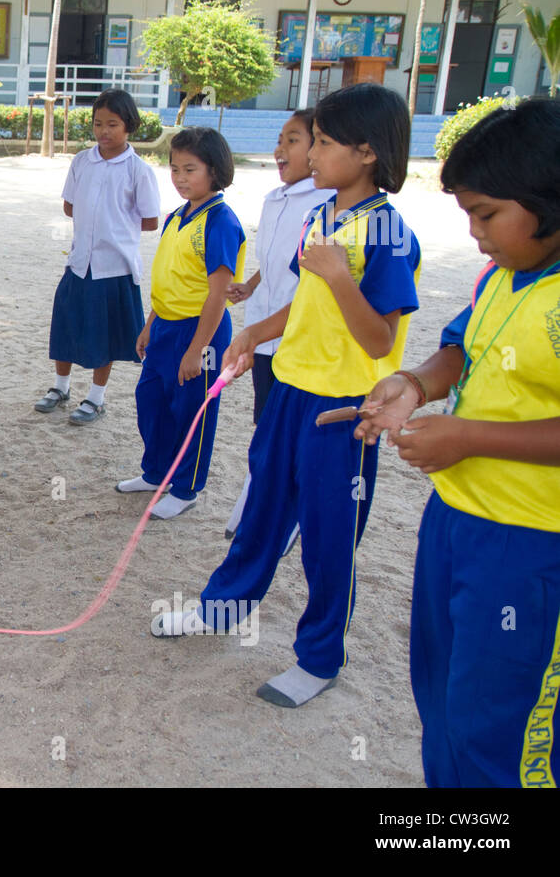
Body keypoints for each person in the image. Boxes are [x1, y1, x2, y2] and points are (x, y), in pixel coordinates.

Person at [158, 84, 422, 711]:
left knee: (329, 534)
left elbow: (381, 338)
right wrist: (253, 332)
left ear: (366, 152)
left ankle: (320, 658)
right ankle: (222, 609)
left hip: (344, 408)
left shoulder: (389, 232)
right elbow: (306, 302)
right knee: (263, 509)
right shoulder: (321, 213)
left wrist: (339, 275)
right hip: (289, 388)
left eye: (324, 143)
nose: (311, 154)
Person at [355, 97, 560, 787]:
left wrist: (468, 436)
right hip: (456, 521)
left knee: (503, 730)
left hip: (533, 546)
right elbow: (461, 348)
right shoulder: (504, 276)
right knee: (443, 698)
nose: (476, 234)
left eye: (487, 214)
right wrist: (413, 384)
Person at [123, 126, 245, 519]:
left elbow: (218, 293)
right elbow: (169, 277)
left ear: (214, 170)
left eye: (190, 169)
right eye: (174, 169)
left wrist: (197, 350)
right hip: (164, 326)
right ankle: (156, 472)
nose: (180, 178)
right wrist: (149, 324)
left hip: (200, 330)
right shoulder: (176, 216)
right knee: (151, 401)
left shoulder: (220, 222)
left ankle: (187, 487)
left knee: (193, 410)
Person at [222, 109, 332, 538]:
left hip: (295, 334)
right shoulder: (274, 198)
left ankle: (281, 508)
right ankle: (260, 494)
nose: (280, 149)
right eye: (279, 140)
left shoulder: (326, 204)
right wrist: (250, 286)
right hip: (262, 331)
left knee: (289, 426)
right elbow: (275, 261)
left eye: (293, 140)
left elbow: (310, 277)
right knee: (266, 419)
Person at [34, 89, 160, 425]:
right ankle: (60, 387)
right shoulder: (81, 161)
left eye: (112, 124)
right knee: (66, 324)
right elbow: (69, 205)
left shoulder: (138, 170)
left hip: (114, 266)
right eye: (98, 123)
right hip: (79, 262)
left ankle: (96, 397)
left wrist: (115, 225)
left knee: (106, 335)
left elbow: (150, 220)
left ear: (129, 125)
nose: (104, 131)